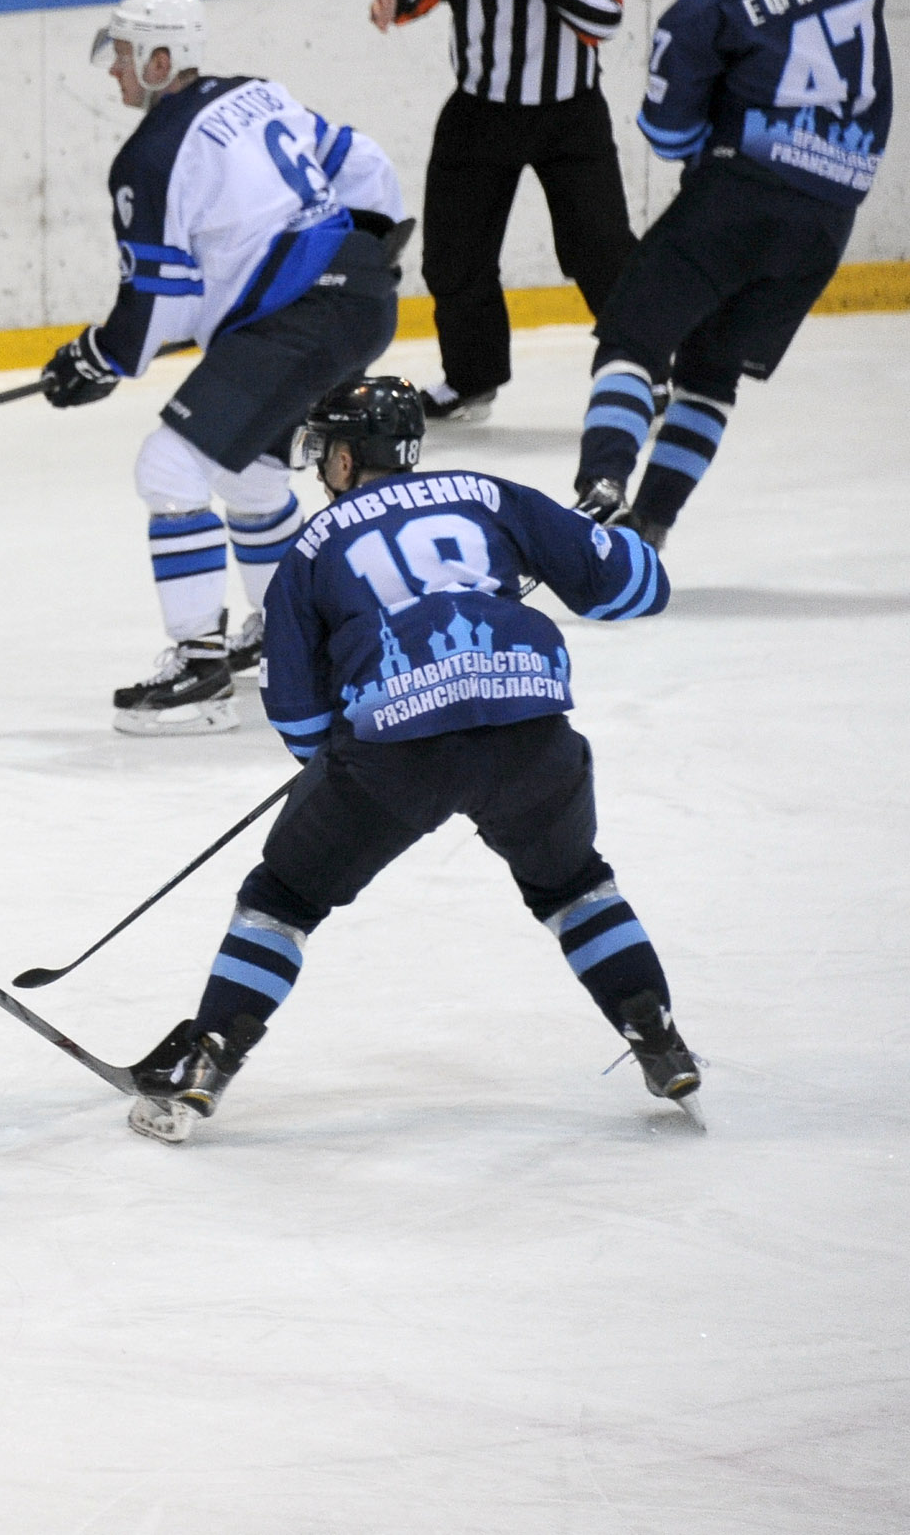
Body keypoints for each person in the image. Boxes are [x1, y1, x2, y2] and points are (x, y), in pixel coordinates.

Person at [125, 377, 696, 1146]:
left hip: (393, 759)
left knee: (284, 898)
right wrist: (606, 538)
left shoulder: (313, 547)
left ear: (350, 459)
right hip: (531, 735)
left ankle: (210, 1060)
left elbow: (296, 711)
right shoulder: (492, 495)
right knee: (575, 886)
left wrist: (336, 769)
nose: (320, 464)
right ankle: (656, 1034)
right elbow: (638, 589)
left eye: (326, 450)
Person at [40, 0, 409, 736]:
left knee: (169, 470)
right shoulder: (257, 93)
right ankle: (289, 636)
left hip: (300, 319)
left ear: (160, 57)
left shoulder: (149, 155)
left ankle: (200, 664)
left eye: (121, 55)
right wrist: (365, 252)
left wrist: (95, 359)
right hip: (359, 293)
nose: (113, 70)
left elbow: (153, 309)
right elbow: (361, 161)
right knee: (251, 473)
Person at [573, 0, 910, 548]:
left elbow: (668, 134)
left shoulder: (707, 5)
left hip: (733, 201)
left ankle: (601, 486)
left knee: (632, 341)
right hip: (825, 224)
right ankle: (653, 524)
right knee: (710, 377)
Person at [370, 0, 634, 423]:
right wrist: (394, 1)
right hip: (481, 114)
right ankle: (472, 379)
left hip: (571, 117)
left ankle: (642, 368)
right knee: (454, 257)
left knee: (601, 249)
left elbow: (608, 18)